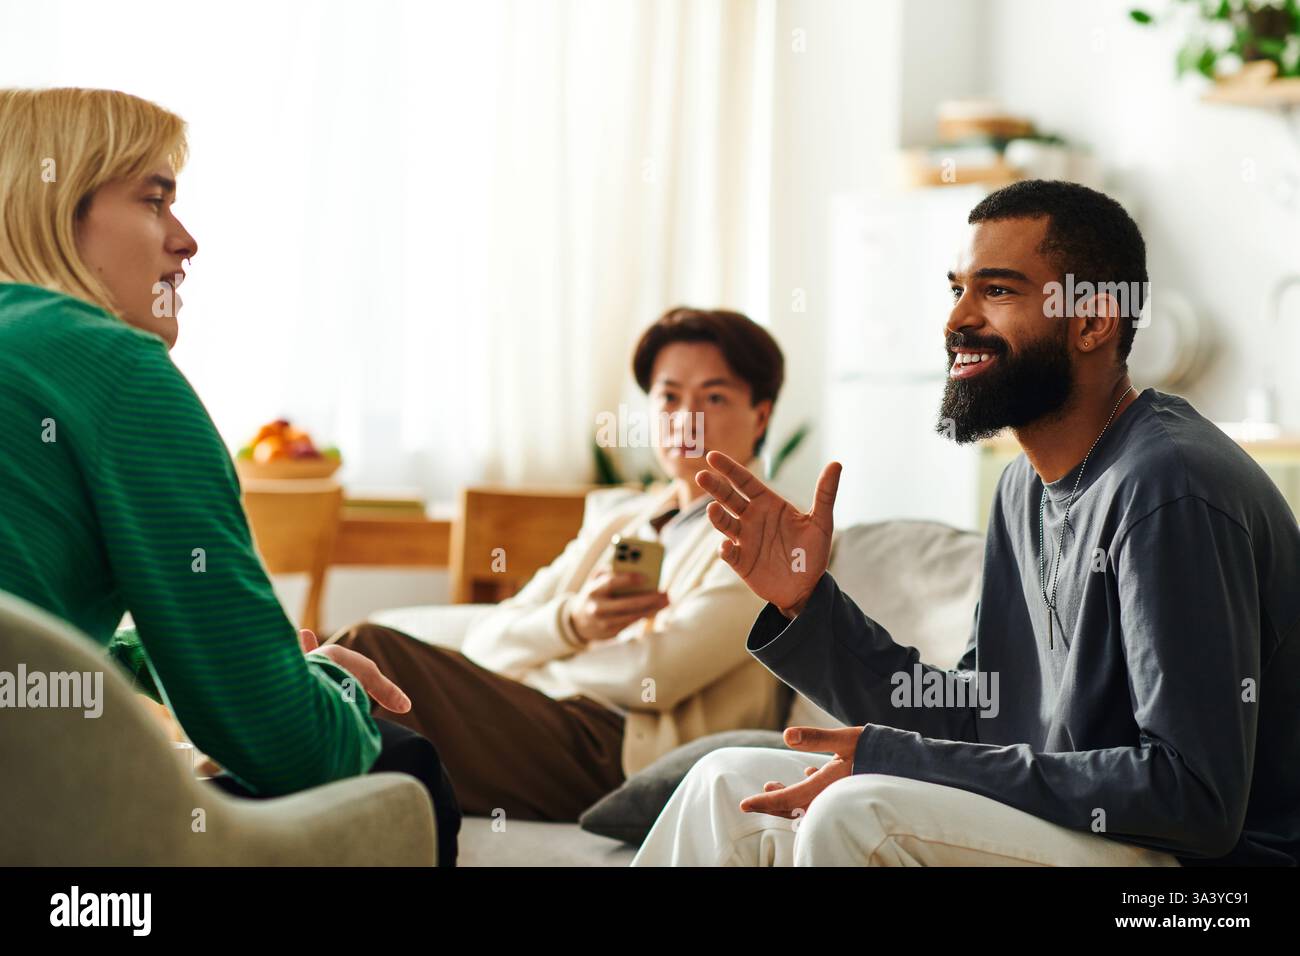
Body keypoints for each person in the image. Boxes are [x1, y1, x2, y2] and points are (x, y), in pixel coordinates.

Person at [633, 180, 1300, 867]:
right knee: (721, 782)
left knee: (857, 811)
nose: (957, 319)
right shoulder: (1022, 489)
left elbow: (1193, 796)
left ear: (1094, 322)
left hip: (1202, 874)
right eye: (957, 289)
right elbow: (982, 716)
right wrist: (807, 604)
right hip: (1092, 836)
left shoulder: (1169, 486)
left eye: (999, 291)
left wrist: (893, 761)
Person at [0, 88, 459, 865]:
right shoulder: (115, 371)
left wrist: (148, 658)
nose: (187, 242)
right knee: (401, 759)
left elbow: (21, 639)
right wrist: (327, 685)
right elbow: (286, 742)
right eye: (156, 201)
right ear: (56, 204)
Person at [333, 307, 789, 821]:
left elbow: (656, 673)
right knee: (358, 703)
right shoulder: (620, 518)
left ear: (761, 414)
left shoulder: (770, 536)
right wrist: (573, 622)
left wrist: (542, 656)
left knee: (368, 651)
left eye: (714, 397)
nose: (686, 419)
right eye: (668, 397)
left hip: (612, 749)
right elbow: (489, 637)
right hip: (544, 718)